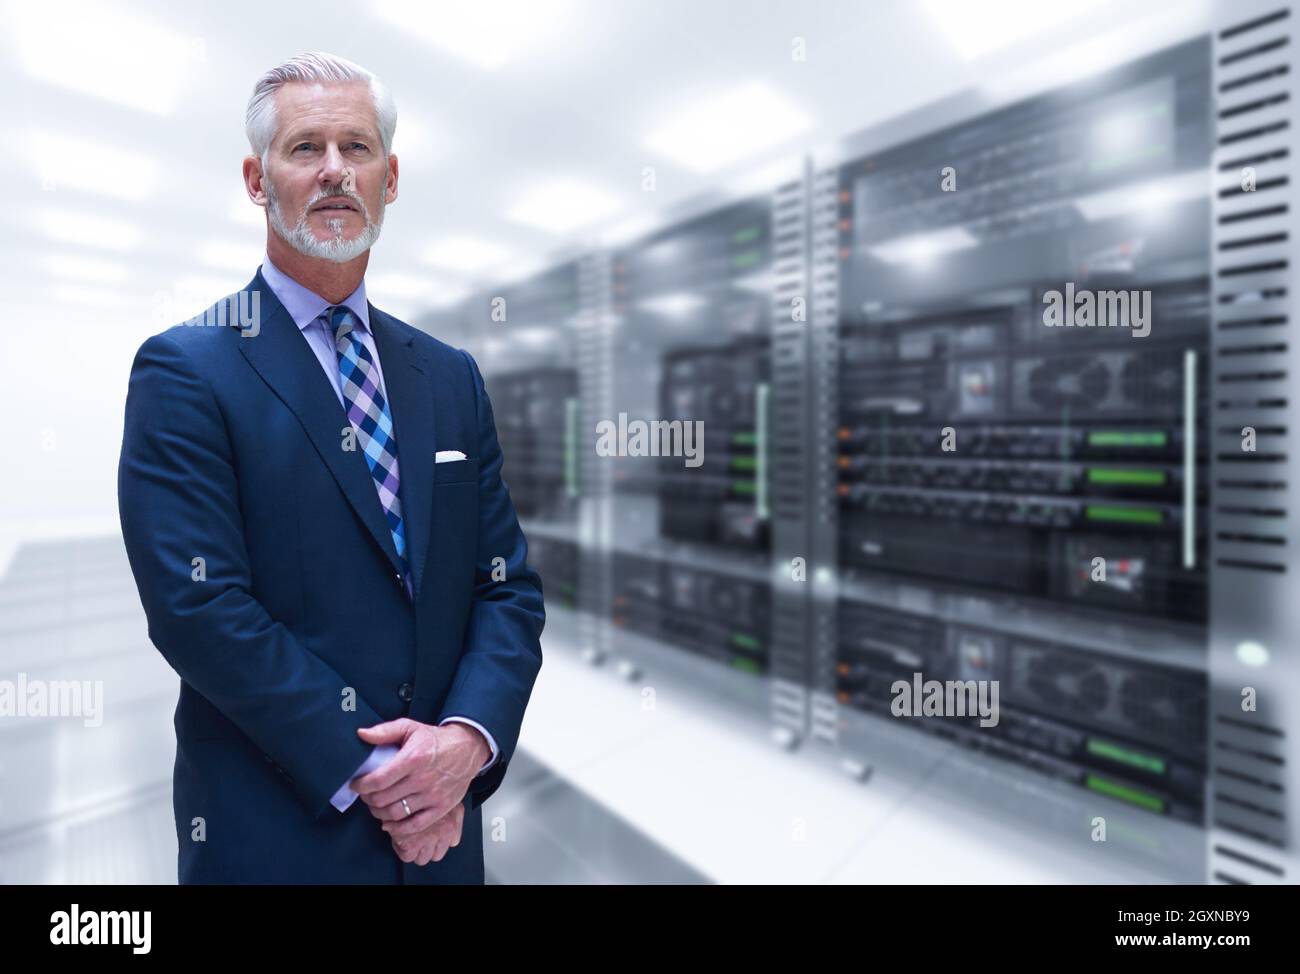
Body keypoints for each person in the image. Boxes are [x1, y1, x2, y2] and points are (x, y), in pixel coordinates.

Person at [117, 51, 544, 884]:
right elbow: (198, 609)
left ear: (391, 177)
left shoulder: (447, 375)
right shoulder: (189, 369)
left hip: (443, 838)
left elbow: (505, 588)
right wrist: (382, 778)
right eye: (305, 148)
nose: (335, 172)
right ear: (256, 178)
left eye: (358, 148)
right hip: (282, 835)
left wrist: (464, 742)